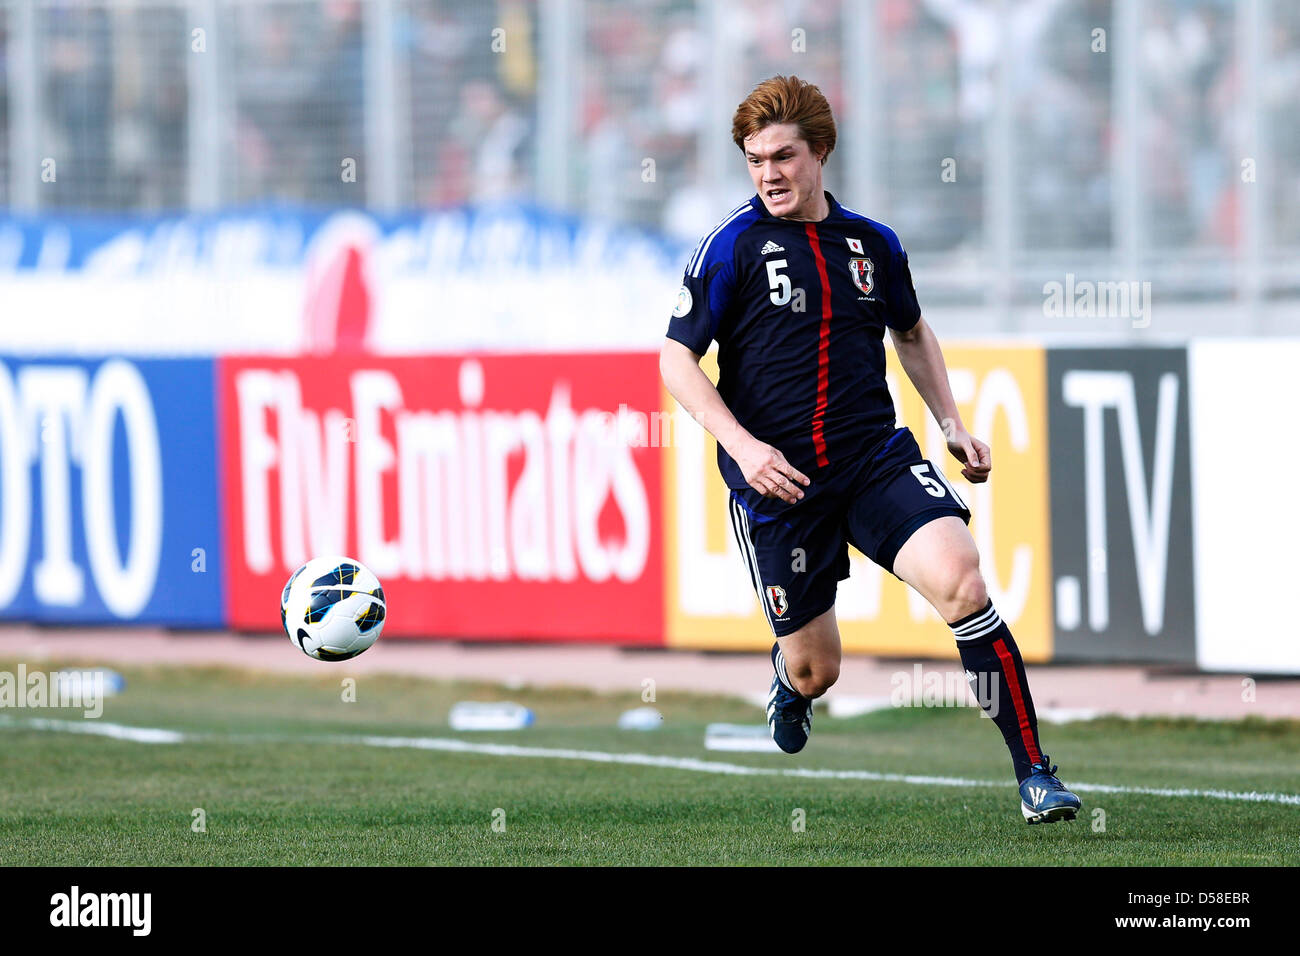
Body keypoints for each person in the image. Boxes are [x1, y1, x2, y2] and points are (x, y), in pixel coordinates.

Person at [659, 75, 1080, 824]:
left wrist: (950, 423)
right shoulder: (732, 247)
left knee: (963, 583)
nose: (768, 174)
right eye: (754, 161)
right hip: (779, 486)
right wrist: (745, 447)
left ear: (820, 151)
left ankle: (1035, 774)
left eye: (783, 156)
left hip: (872, 461)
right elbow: (675, 362)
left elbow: (910, 332)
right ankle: (789, 684)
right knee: (819, 669)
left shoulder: (873, 245)